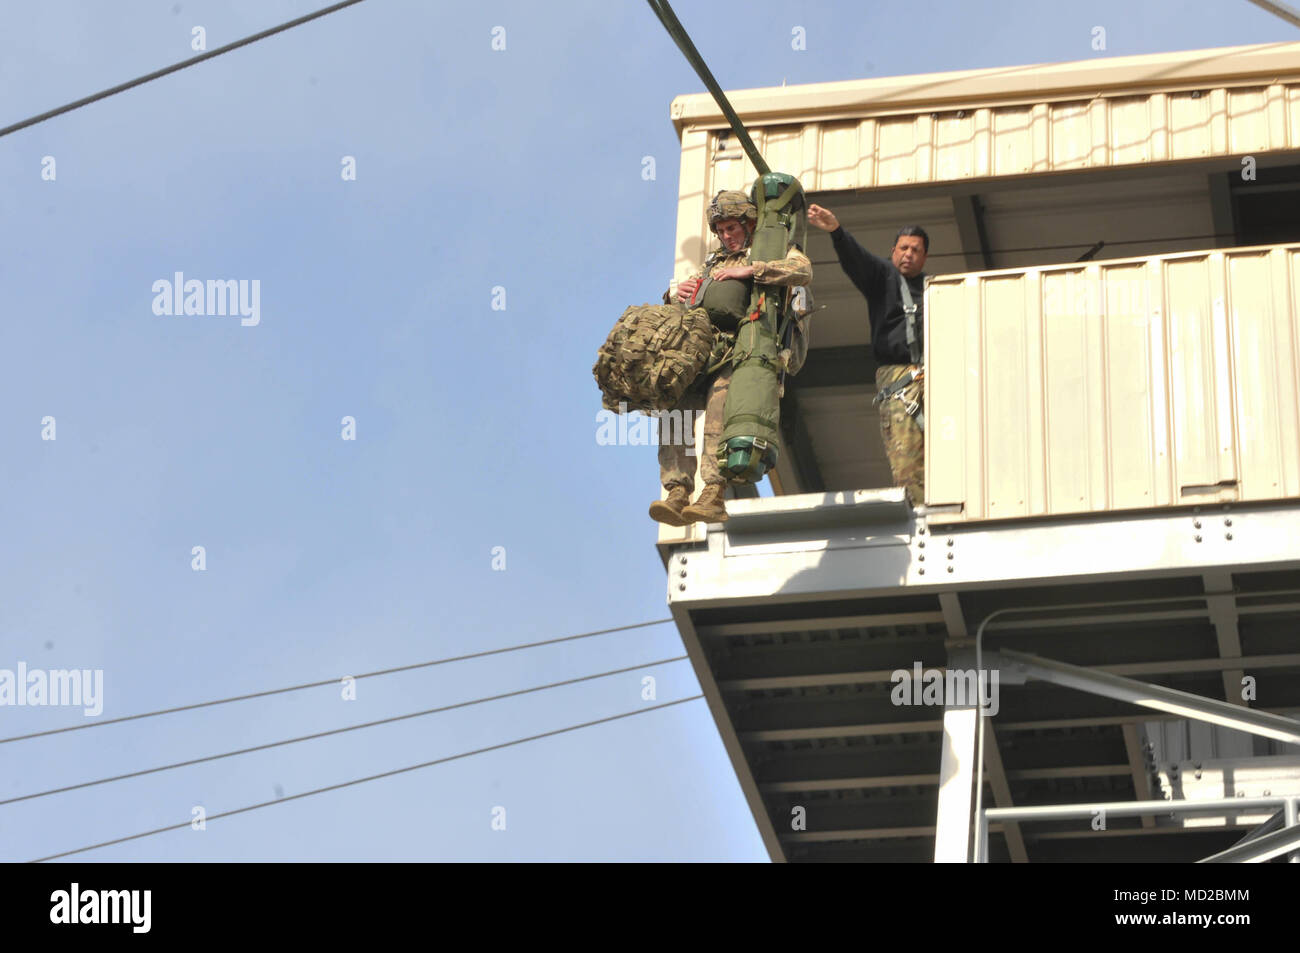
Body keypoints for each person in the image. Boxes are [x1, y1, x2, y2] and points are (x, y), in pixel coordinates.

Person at [650, 190, 812, 526]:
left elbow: (802, 270)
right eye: (721, 230)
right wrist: (676, 293)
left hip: (740, 351)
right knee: (675, 409)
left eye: (732, 228)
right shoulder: (714, 263)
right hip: (702, 349)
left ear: (749, 224)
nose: (726, 236)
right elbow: (689, 296)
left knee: (718, 410)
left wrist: (752, 271)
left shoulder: (770, 251)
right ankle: (677, 489)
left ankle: (713, 492)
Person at [807, 204, 929, 504]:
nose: (909, 254)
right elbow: (857, 260)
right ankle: (918, 512)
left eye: (915, 250)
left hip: (932, 373)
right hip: (900, 379)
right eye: (903, 248)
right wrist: (836, 232)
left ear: (924, 257)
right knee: (907, 456)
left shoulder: (934, 288)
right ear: (893, 251)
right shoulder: (883, 277)